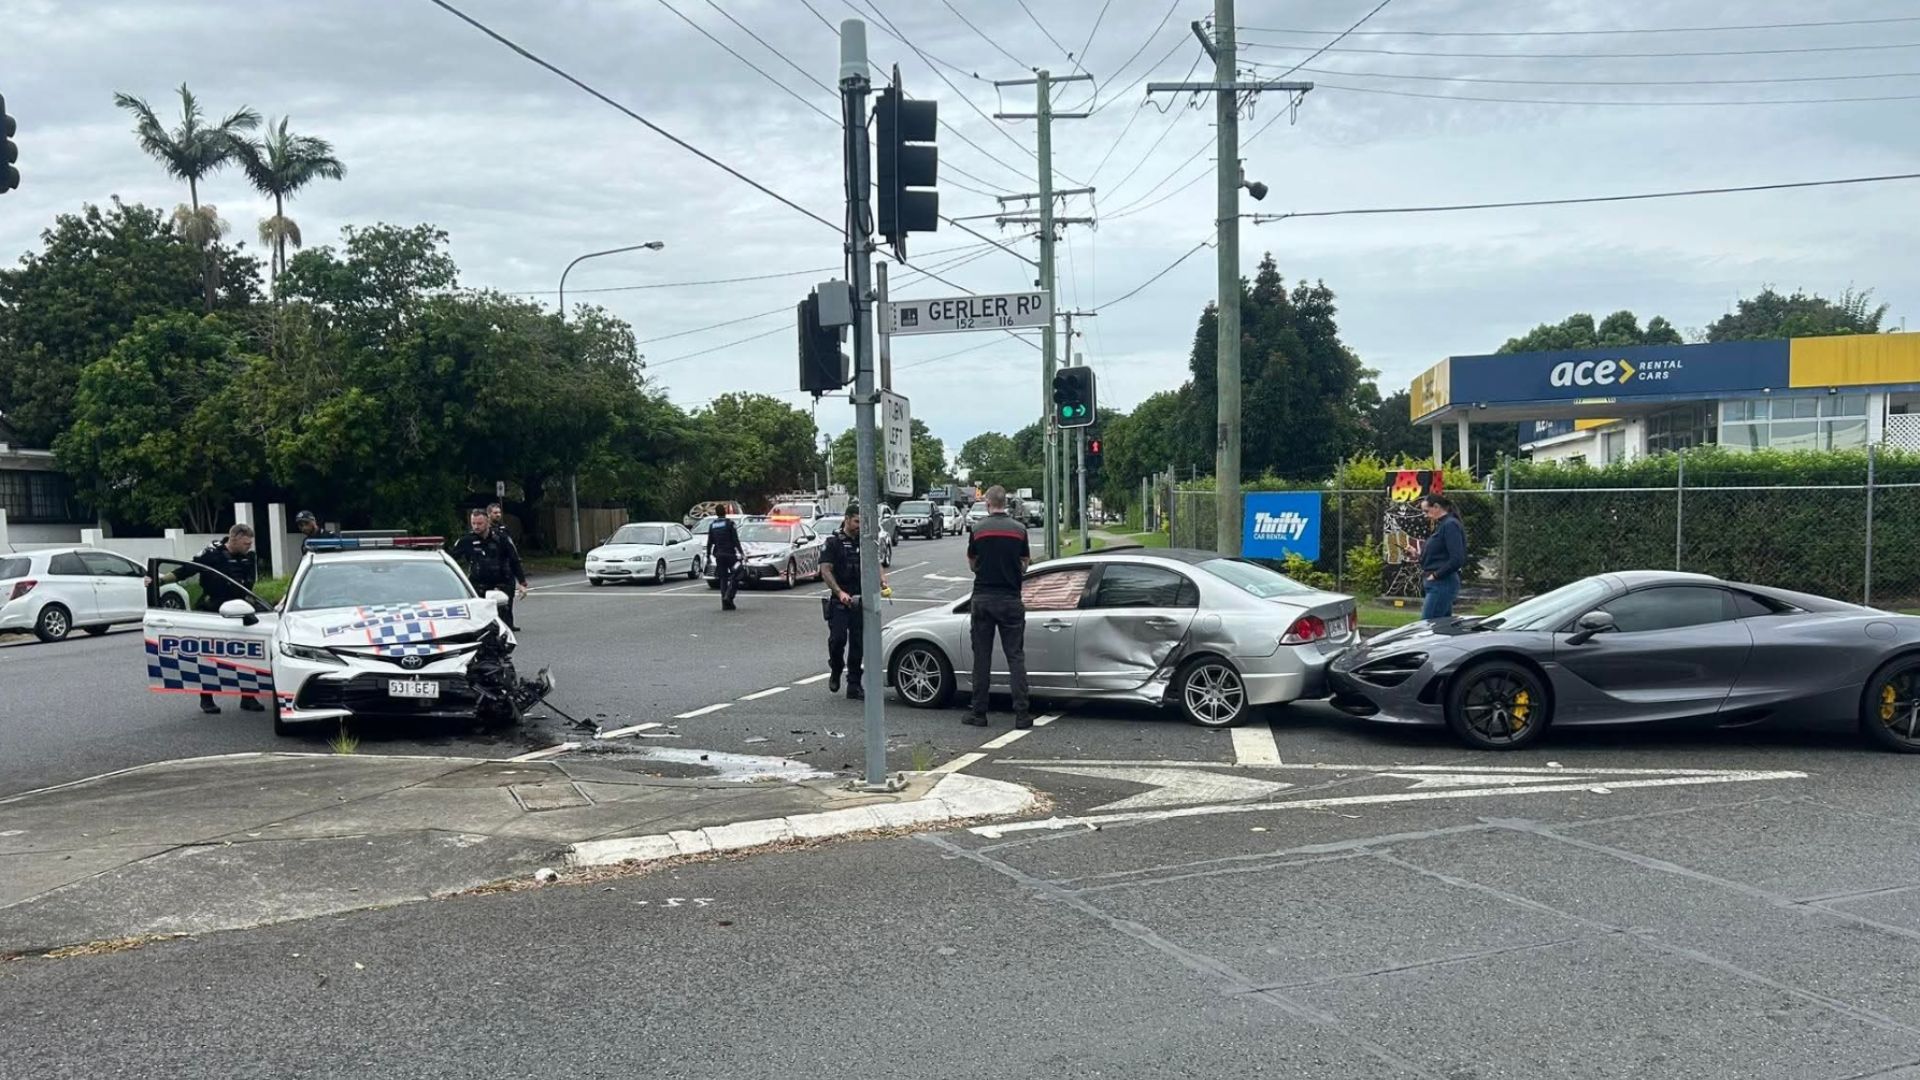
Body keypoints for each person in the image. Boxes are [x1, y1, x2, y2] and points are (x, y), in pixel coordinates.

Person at [159, 523, 264, 716]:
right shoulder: (211, 553)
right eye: (246, 543)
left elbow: (250, 582)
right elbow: (187, 569)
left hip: (240, 608)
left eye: (250, 543)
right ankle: (206, 698)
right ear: (233, 539)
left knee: (247, 655)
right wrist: (161, 580)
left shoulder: (249, 557)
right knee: (209, 655)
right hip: (212, 609)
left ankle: (248, 696)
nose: (249, 546)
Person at [964, 485, 1032, 729]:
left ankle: (979, 713)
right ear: (1006, 503)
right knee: (1015, 657)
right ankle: (1022, 714)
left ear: (988, 504)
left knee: (981, 658)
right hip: (1011, 600)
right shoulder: (1019, 530)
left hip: (983, 597)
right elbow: (1025, 563)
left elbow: (972, 563)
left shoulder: (978, 529)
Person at [819, 505, 885, 699]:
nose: (859, 526)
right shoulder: (833, 542)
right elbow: (825, 570)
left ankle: (854, 684)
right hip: (841, 600)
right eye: (856, 521)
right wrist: (839, 592)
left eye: (861, 522)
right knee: (838, 639)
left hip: (860, 600)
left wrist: (882, 581)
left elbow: (877, 563)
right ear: (847, 519)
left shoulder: (865, 543)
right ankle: (837, 668)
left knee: (858, 644)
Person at [454, 507, 529, 630]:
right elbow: (451, 558)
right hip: (479, 583)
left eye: (479, 523)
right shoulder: (466, 540)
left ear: (487, 522)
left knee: (505, 622)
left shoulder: (502, 538)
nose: (476, 527)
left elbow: (514, 560)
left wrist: (522, 583)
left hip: (502, 581)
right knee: (480, 622)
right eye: (473, 523)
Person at [1417, 494, 1468, 620]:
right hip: (1437, 581)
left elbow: (1457, 558)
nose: (1425, 515)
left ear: (1436, 507)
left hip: (1442, 582)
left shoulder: (1450, 525)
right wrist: (1418, 554)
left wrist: (1436, 575)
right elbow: (1439, 554)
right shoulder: (1442, 525)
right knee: (1441, 625)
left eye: (1426, 511)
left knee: (1428, 624)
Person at [705, 504, 744, 611]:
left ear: (716, 513)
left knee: (723, 578)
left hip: (719, 555)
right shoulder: (730, 524)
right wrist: (741, 552)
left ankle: (725, 603)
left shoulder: (713, 525)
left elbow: (709, 542)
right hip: (730, 555)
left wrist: (708, 555)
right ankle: (729, 596)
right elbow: (735, 540)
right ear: (725, 512)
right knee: (739, 572)